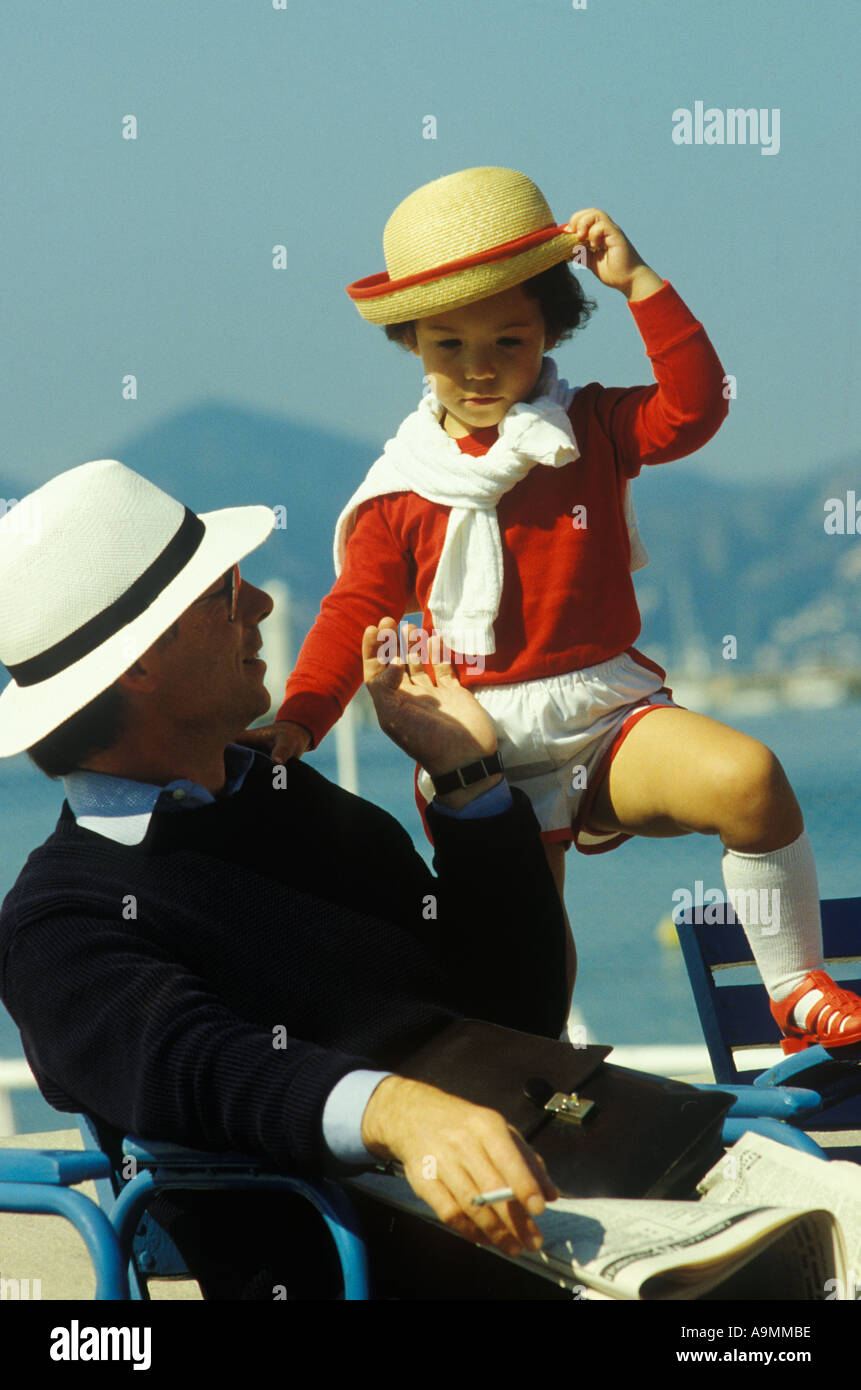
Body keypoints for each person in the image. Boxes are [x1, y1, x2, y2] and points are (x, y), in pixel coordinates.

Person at [253, 165, 861, 1053]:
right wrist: (300, 721)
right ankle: (553, 1090)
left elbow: (694, 411)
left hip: (604, 710)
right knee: (536, 960)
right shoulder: (398, 488)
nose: (479, 368)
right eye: (448, 345)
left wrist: (641, 286)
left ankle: (796, 995)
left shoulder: (593, 425)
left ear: (552, 326)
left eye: (508, 340)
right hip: (476, 745)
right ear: (412, 344)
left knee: (749, 780)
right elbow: (354, 609)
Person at [0, 458, 577, 1298]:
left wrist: (468, 784)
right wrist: (401, 1114)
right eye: (228, 593)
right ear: (138, 666)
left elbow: (513, 1012)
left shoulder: (283, 795)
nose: (263, 606)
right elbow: (195, 1062)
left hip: (524, 1230)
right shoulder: (59, 922)